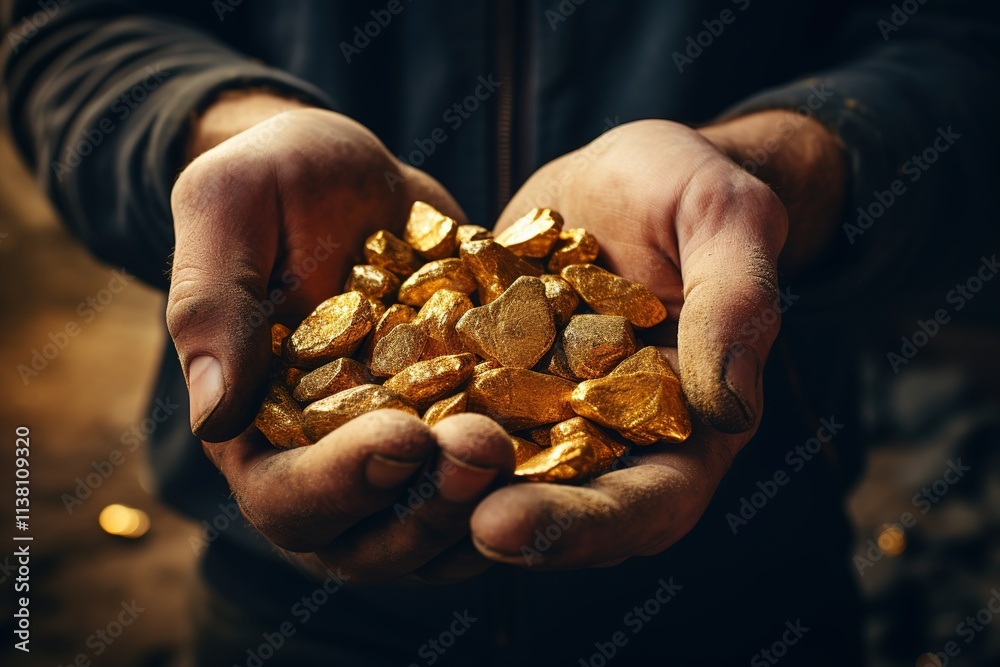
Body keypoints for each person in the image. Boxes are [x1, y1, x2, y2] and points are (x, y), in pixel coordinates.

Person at [5, 1, 998, 664]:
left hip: (750, 570)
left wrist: (781, 175)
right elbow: (70, 32)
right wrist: (216, 136)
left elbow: (966, 44)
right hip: (290, 606)